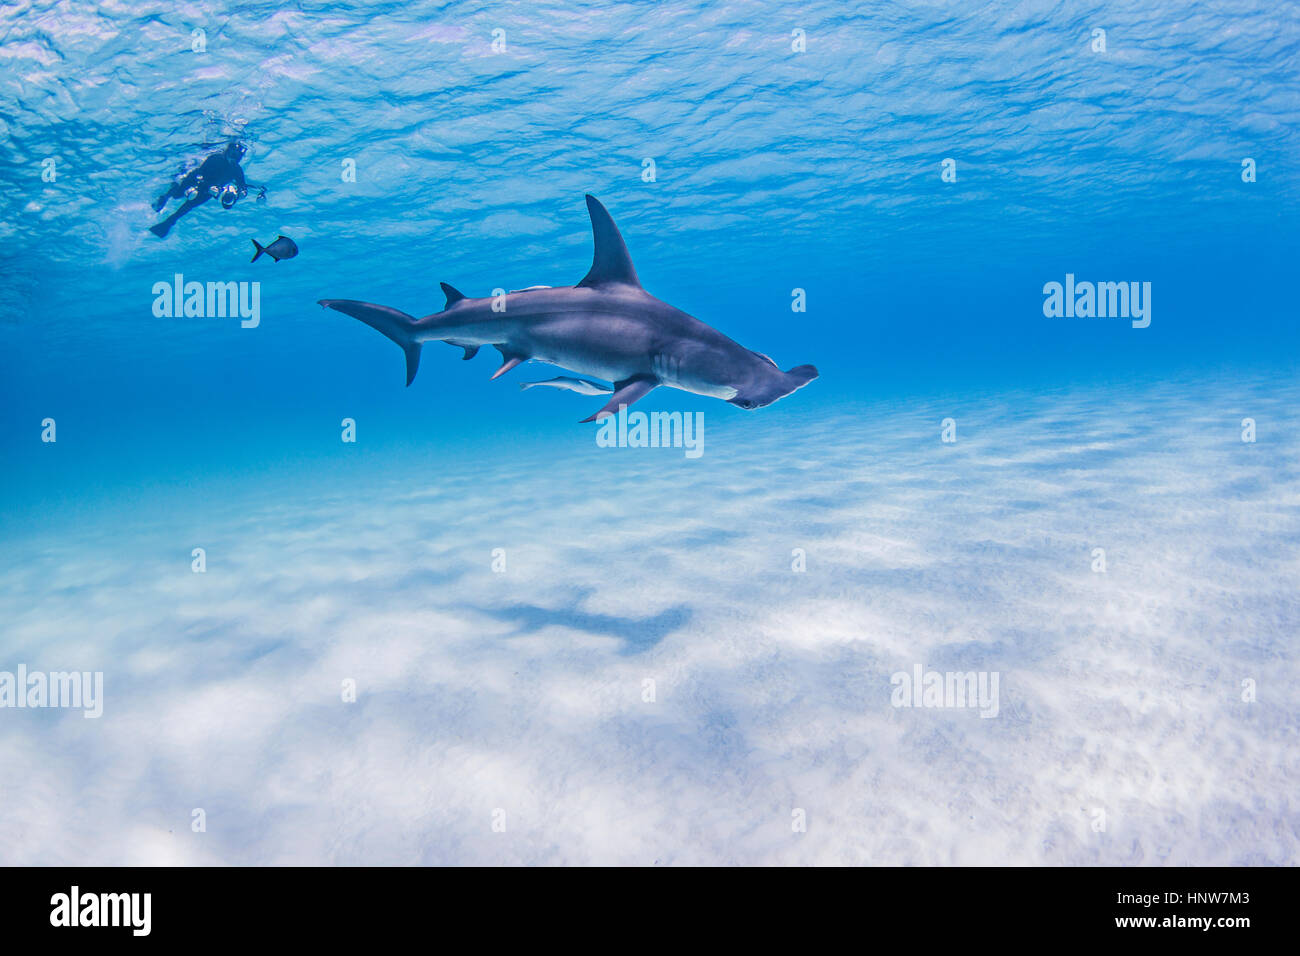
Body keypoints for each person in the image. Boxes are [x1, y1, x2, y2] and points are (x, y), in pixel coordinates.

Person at [149, 142, 267, 237]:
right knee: (177, 194)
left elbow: (242, 186)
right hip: (196, 182)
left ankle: (168, 223)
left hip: (210, 191)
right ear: (227, 151)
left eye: (237, 156)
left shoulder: (237, 170)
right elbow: (199, 172)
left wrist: (242, 193)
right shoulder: (215, 158)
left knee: (188, 206)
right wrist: (201, 185)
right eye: (232, 154)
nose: (234, 158)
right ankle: (165, 197)